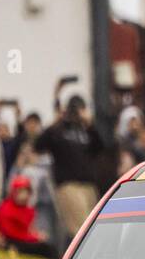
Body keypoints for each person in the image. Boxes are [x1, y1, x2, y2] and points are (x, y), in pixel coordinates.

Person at [34, 90, 102, 238]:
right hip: (69, 184)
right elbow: (38, 145)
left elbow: (100, 148)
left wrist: (90, 125)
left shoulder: (85, 131)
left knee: (94, 227)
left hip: (88, 185)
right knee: (82, 229)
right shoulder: (59, 130)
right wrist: (56, 121)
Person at [0, 175, 52, 256]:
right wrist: (34, 238)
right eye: (21, 191)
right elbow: (10, 233)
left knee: (47, 248)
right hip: (9, 242)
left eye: (26, 192)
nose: (24, 195)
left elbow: (29, 229)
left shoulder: (29, 210)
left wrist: (36, 236)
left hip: (24, 242)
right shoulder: (5, 208)